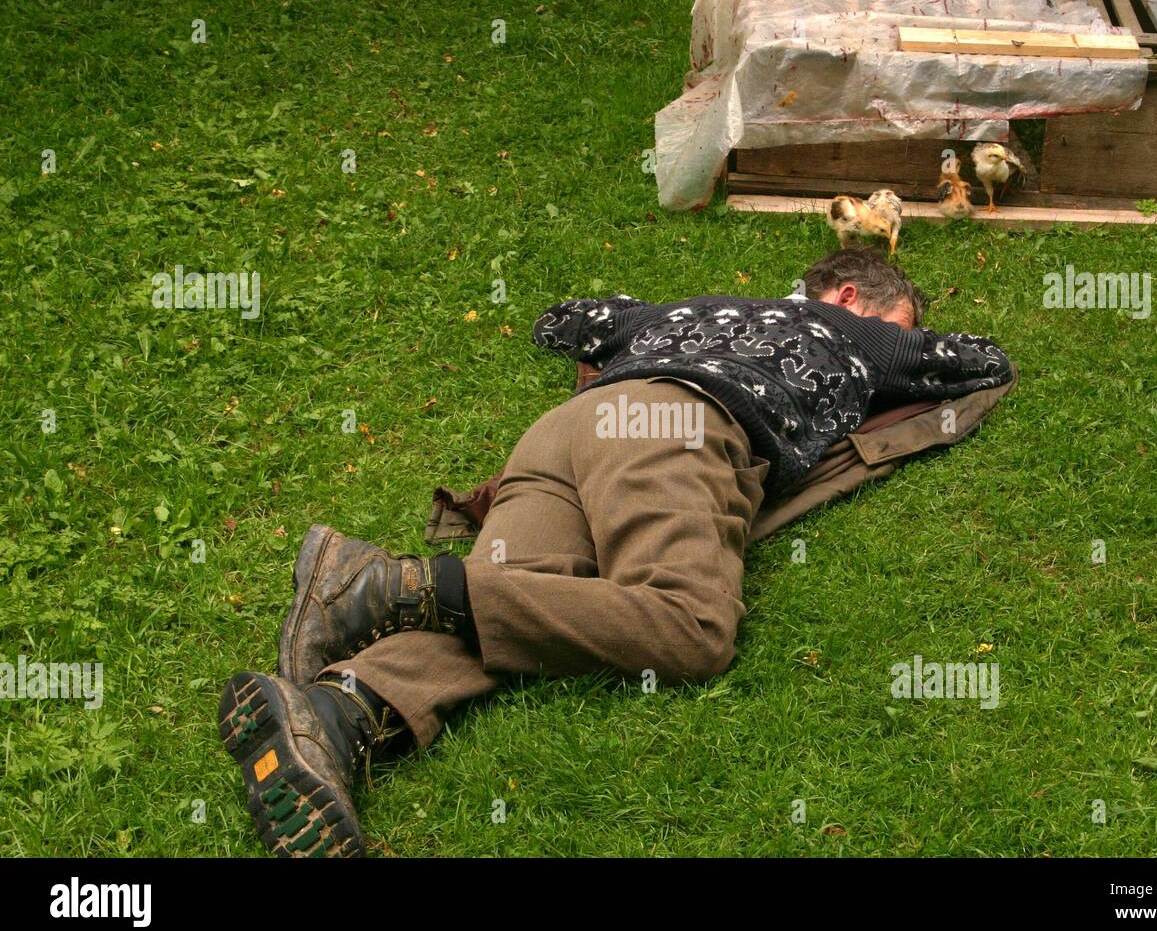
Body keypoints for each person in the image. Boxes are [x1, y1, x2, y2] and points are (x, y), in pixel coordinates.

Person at [217, 246, 1013, 857]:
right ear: (850, 296)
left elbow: (565, 321)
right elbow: (980, 362)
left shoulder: (687, 309)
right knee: (689, 626)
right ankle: (393, 584)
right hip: (675, 430)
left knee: (521, 600)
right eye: (900, 318)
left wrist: (669, 324)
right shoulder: (855, 331)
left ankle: (337, 709)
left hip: (563, 434)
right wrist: (888, 346)